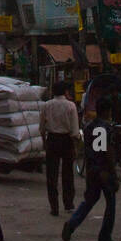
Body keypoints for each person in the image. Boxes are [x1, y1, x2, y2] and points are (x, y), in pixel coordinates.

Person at [62, 97, 119, 241]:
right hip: (103, 170)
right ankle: (105, 237)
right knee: (110, 203)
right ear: (107, 111)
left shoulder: (89, 127)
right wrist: (112, 172)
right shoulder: (105, 128)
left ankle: (72, 224)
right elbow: (106, 151)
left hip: (92, 169)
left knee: (90, 200)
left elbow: (89, 150)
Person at [40, 81, 79, 216]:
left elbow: (42, 127)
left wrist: (44, 142)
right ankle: (68, 204)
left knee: (52, 175)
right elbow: (75, 130)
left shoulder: (46, 105)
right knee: (68, 174)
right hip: (67, 140)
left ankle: (54, 207)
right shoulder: (71, 105)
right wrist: (75, 146)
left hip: (52, 139)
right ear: (65, 92)